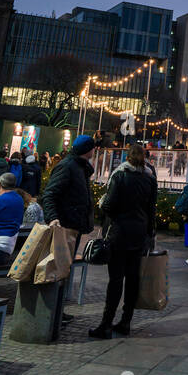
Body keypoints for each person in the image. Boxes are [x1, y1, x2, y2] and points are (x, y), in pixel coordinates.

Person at [90, 144, 157, 338]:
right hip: (139, 233)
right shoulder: (149, 179)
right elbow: (151, 208)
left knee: (116, 279)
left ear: (128, 157)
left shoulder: (119, 176)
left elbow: (109, 206)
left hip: (119, 233)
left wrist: (103, 203)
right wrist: (149, 232)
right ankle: (126, 321)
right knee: (133, 278)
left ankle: (106, 324)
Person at [41, 134, 96, 269]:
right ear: (87, 150)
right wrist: (53, 218)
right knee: (58, 267)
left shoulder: (80, 168)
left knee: (64, 266)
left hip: (73, 224)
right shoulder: (68, 166)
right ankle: (56, 290)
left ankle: (61, 289)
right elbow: (49, 194)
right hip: (65, 225)